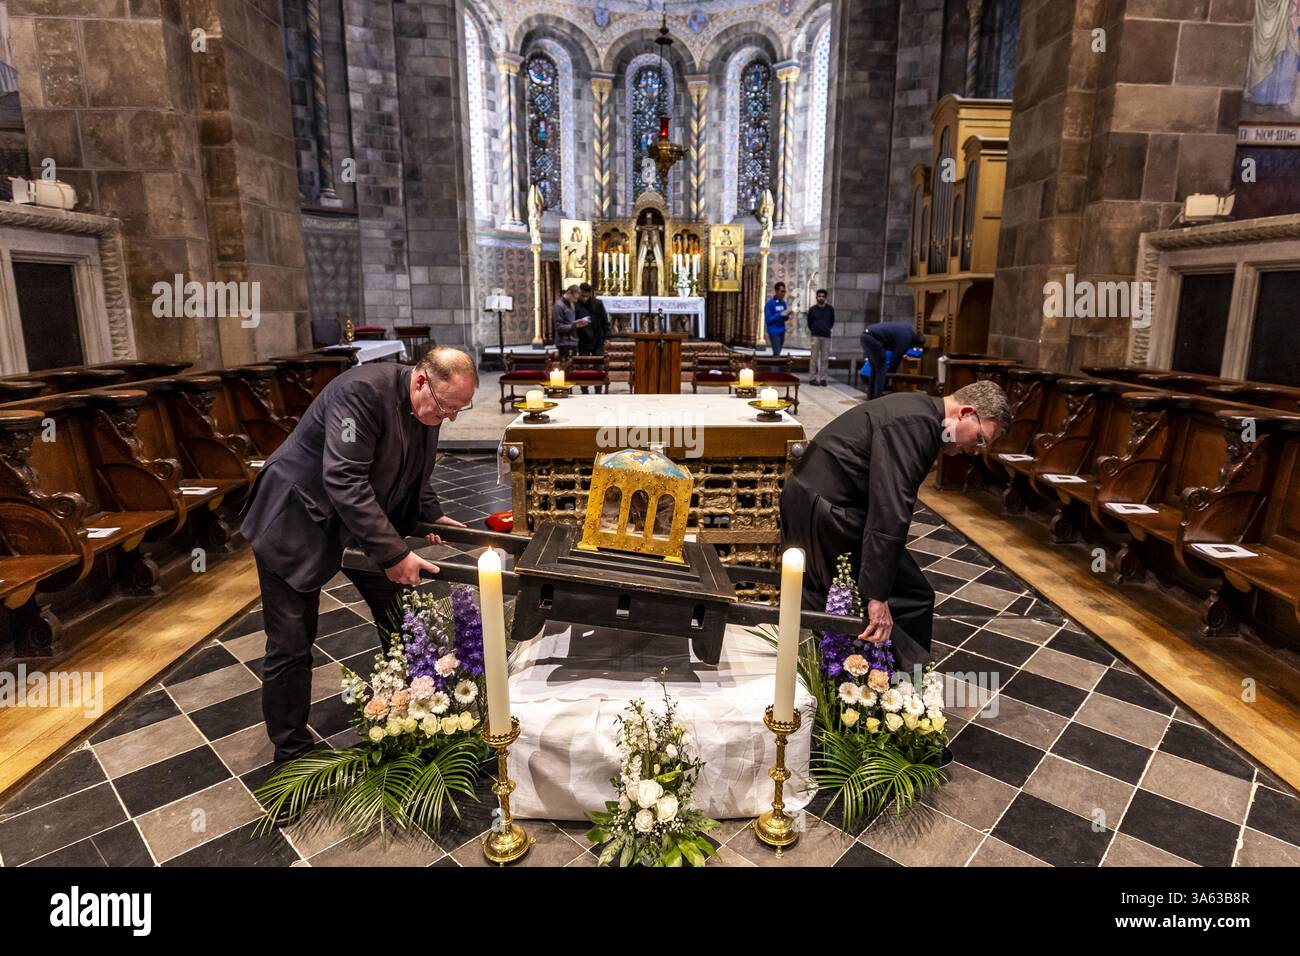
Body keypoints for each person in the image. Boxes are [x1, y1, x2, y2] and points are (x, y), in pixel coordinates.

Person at [241, 347, 479, 764]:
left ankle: (414, 713)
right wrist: (394, 554)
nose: (449, 417)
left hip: (362, 521)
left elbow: (418, 470)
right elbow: (345, 479)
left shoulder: (430, 405)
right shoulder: (361, 393)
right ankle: (291, 753)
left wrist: (431, 516)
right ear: (421, 380)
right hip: (296, 518)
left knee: (400, 620)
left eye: (459, 410)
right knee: (292, 642)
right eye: (447, 407)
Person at [779, 380, 1011, 673]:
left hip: (820, 502)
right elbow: (890, 510)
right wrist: (877, 595)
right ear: (965, 412)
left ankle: (871, 684)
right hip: (827, 511)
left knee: (899, 594)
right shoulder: (918, 425)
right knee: (889, 599)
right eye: (980, 439)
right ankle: (888, 690)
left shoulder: (922, 414)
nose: (976, 450)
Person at [861, 320, 924, 400]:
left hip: (865, 336)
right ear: (915, 343)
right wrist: (891, 374)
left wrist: (889, 374)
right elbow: (896, 358)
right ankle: (878, 398)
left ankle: (871, 396)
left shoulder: (908, 330)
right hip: (872, 339)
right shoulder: (907, 339)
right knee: (881, 368)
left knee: (875, 368)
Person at [575, 283, 609, 394]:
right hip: (582, 339)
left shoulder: (597, 303)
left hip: (597, 339)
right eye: (582, 296)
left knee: (598, 366)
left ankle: (598, 389)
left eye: (586, 296)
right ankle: (584, 390)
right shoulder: (575, 304)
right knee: (582, 366)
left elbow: (605, 321)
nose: (584, 299)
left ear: (590, 294)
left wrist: (607, 337)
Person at [806, 288, 835, 386]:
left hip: (826, 336)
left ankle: (823, 379)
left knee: (824, 359)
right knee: (813, 358)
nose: (821, 298)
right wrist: (815, 330)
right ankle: (812, 378)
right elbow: (809, 323)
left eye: (823, 296)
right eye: (819, 296)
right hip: (815, 336)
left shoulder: (830, 309)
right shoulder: (812, 309)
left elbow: (832, 322)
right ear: (816, 297)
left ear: (825, 298)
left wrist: (826, 329)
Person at [553, 285, 579, 359]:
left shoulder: (571, 304)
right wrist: (574, 325)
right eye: (575, 298)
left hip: (573, 341)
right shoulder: (558, 306)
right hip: (563, 342)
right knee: (565, 367)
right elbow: (559, 327)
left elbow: (570, 321)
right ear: (569, 293)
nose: (576, 301)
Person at [765, 281, 791, 356]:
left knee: (778, 353)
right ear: (776, 291)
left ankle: (776, 366)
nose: (783, 293)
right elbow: (768, 320)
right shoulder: (770, 304)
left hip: (781, 331)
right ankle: (775, 367)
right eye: (781, 291)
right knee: (776, 353)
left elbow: (784, 319)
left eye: (784, 291)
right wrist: (780, 314)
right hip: (774, 332)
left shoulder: (783, 303)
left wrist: (787, 315)